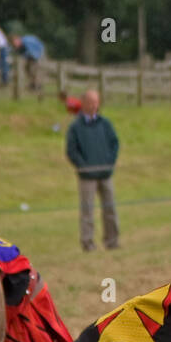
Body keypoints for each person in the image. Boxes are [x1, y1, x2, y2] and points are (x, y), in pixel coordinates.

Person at [65, 90, 120, 251]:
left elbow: (114, 144)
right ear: (83, 103)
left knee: (110, 209)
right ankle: (88, 243)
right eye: (90, 102)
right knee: (87, 211)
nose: (94, 105)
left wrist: (109, 163)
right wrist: (84, 167)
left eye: (96, 102)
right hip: (87, 177)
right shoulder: (75, 127)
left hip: (105, 174)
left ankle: (112, 241)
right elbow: (71, 150)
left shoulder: (105, 124)